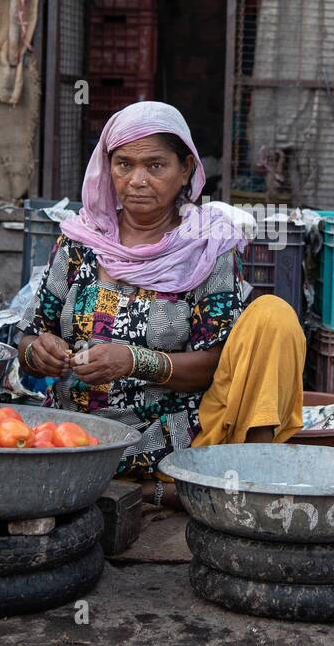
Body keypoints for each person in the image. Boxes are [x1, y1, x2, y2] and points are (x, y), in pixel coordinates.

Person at [17, 102, 306, 508]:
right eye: (124, 165)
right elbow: (31, 335)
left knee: (274, 314)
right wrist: (37, 351)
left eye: (156, 166)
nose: (137, 180)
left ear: (185, 169)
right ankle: (163, 493)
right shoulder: (80, 242)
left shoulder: (208, 247)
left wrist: (134, 361)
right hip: (74, 435)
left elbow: (217, 363)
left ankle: (221, 482)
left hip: (172, 443)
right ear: (108, 166)